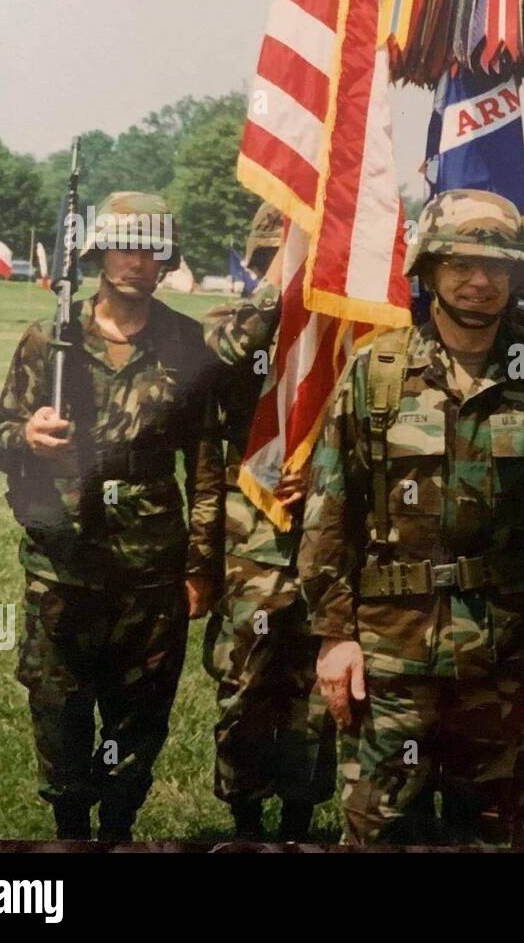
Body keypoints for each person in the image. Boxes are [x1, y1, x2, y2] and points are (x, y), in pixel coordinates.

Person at [299, 189, 524, 847]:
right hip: (390, 649)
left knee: (486, 829)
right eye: (460, 264)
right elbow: (329, 511)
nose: (480, 281)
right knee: (381, 826)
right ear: (428, 270)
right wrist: (334, 636)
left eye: (496, 266)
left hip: (503, 651)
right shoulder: (379, 370)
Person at [0, 191, 222, 841]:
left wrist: (202, 565)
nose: (136, 259)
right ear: (99, 253)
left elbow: (207, 466)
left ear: (164, 261)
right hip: (61, 563)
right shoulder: (49, 338)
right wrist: (28, 438)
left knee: (139, 717)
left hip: (151, 571)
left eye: (150, 248)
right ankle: (70, 830)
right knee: (59, 708)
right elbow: (2, 438)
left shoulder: (186, 342)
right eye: (124, 243)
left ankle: (119, 828)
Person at [199, 204, 336, 841]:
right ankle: (246, 823)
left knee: (315, 698)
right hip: (247, 539)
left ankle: (301, 822)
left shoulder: (341, 329)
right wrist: (285, 268)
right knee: (245, 688)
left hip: (322, 537)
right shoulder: (226, 326)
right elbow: (231, 350)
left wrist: (322, 468)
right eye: (270, 262)